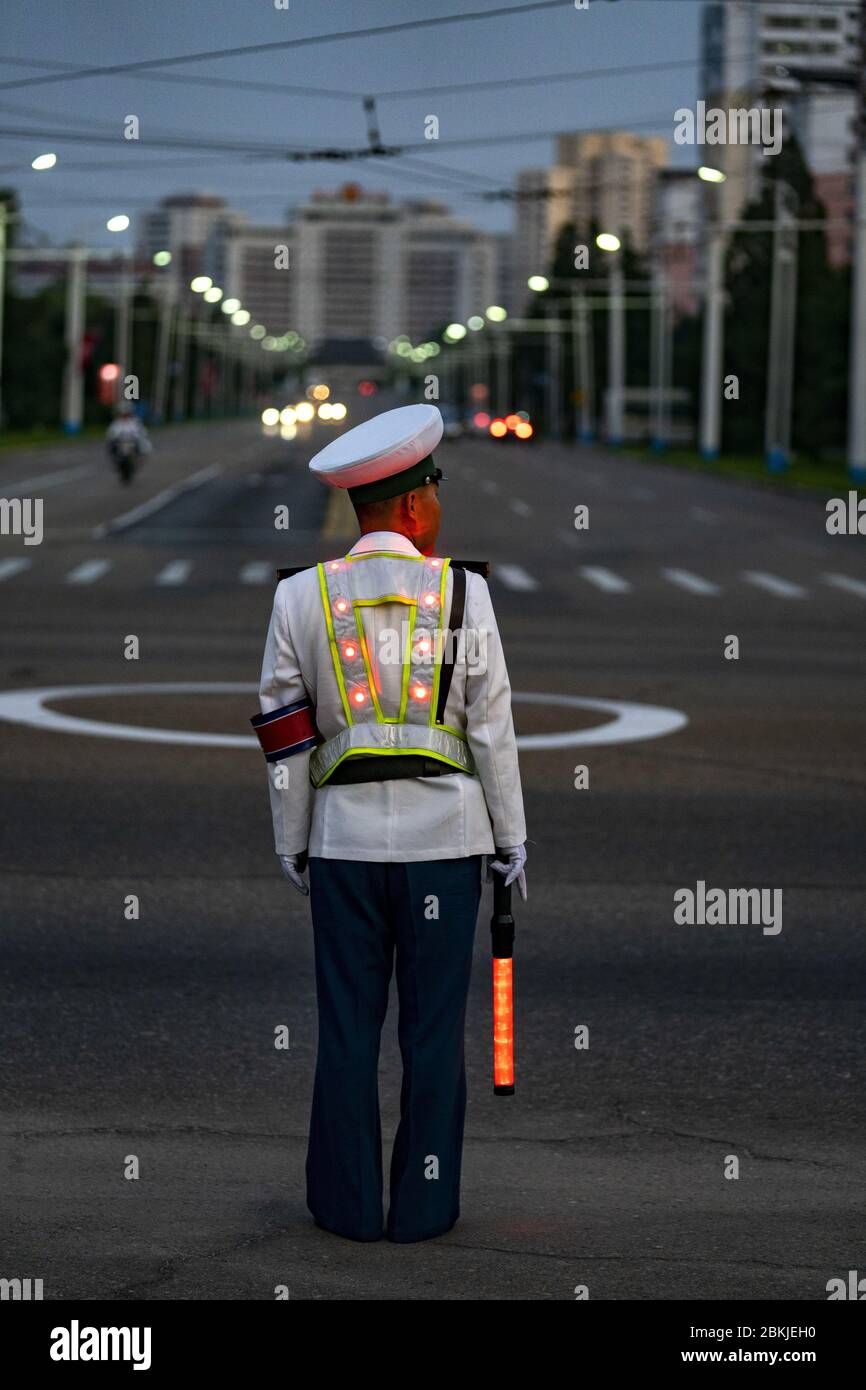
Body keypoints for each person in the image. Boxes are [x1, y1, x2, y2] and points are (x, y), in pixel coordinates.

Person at [253, 403, 526, 1243]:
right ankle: (423, 1207)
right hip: (447, 848)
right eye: (435, 492)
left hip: (343, 848)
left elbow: (285, 735)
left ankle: (344, 1206)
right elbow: (491, 726)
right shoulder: (464, 593)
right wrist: (509, 838)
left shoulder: (300, 596)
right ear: (412, 508)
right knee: (434, 1035)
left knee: (346, 1030)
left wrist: (293, 840)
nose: (438, 507)